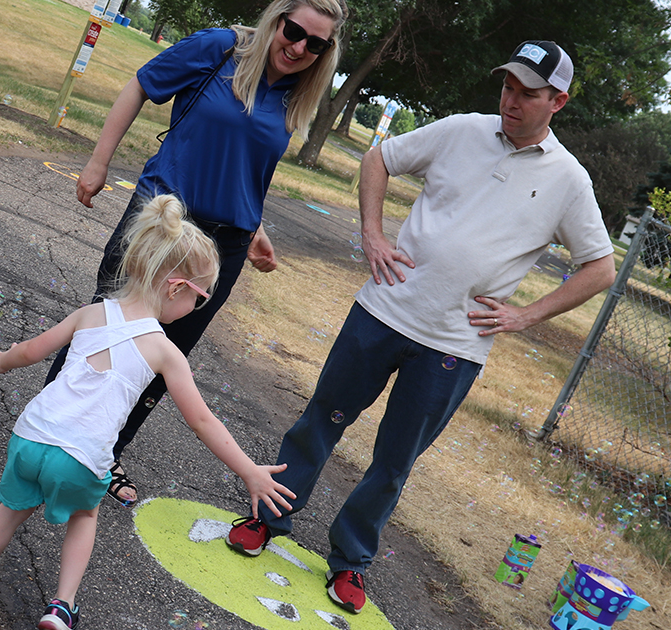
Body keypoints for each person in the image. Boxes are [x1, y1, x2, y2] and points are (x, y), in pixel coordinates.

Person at [226, 40, 618, 614]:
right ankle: (267, 520)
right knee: (320, 421)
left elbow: (601, 267)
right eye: (507, 86)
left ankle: (352, 561)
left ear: (557, 101)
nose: (510, 100)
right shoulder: (462, 129)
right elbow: (379, 159)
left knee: (394, 460)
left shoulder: (568, 180)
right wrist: (373, 234)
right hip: (383, 311)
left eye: (527, 93)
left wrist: (526, 315)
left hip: (455, 345)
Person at [47, 0, 350, 506]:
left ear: (325, 52)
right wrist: (98, 163)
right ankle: (48, 432)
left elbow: (251, 164)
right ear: (276, 20)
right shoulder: (220, 49)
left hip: (222, 247)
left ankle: (103, 455)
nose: (298, 47)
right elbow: (140, 85)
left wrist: (254, 226)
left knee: (164, 360)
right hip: (161, 223)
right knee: (104, 331)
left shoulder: (299, 92)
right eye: (293, 31)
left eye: (314, 43)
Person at [0, 195, 296, 627]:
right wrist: (248, 470)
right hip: (82, 454)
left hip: (32, 435)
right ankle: (61, 604)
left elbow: (31, 352)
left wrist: (2, 360)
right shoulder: (166, 352)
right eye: (201, 298)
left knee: (11, 509)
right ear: (176, 288)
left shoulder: (91, 312)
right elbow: (202, 420)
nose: (196, 308)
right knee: (84, 514)